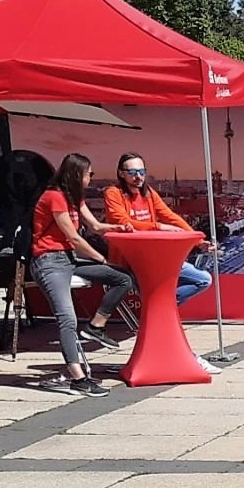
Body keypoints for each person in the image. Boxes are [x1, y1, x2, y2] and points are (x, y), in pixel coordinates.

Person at [28, 152, 134, 396]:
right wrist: (100, 258)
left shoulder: (75, 199)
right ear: (77, 174)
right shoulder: (55, 197)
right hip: (49, 261)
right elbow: (74, 238)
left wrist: (117, 227)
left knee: (122, 278)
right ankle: (78, 377)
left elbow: (95, 226)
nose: (91, 178)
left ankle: (96, 326)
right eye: (89, 174)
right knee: (67, 318)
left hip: (69, 259)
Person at [102, 152, 213, 304]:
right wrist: (159, 226)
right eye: (133, 172)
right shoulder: (113, 193)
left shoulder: (148, 193)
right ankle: (160, 308)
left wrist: (198, 241)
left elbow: (170, 216)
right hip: (131, 261)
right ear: (121, 174)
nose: (138, 176)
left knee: (203, 279)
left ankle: (165, 305)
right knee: (152, 297)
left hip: (156, 256)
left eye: (142, 172)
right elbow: (122, 221)